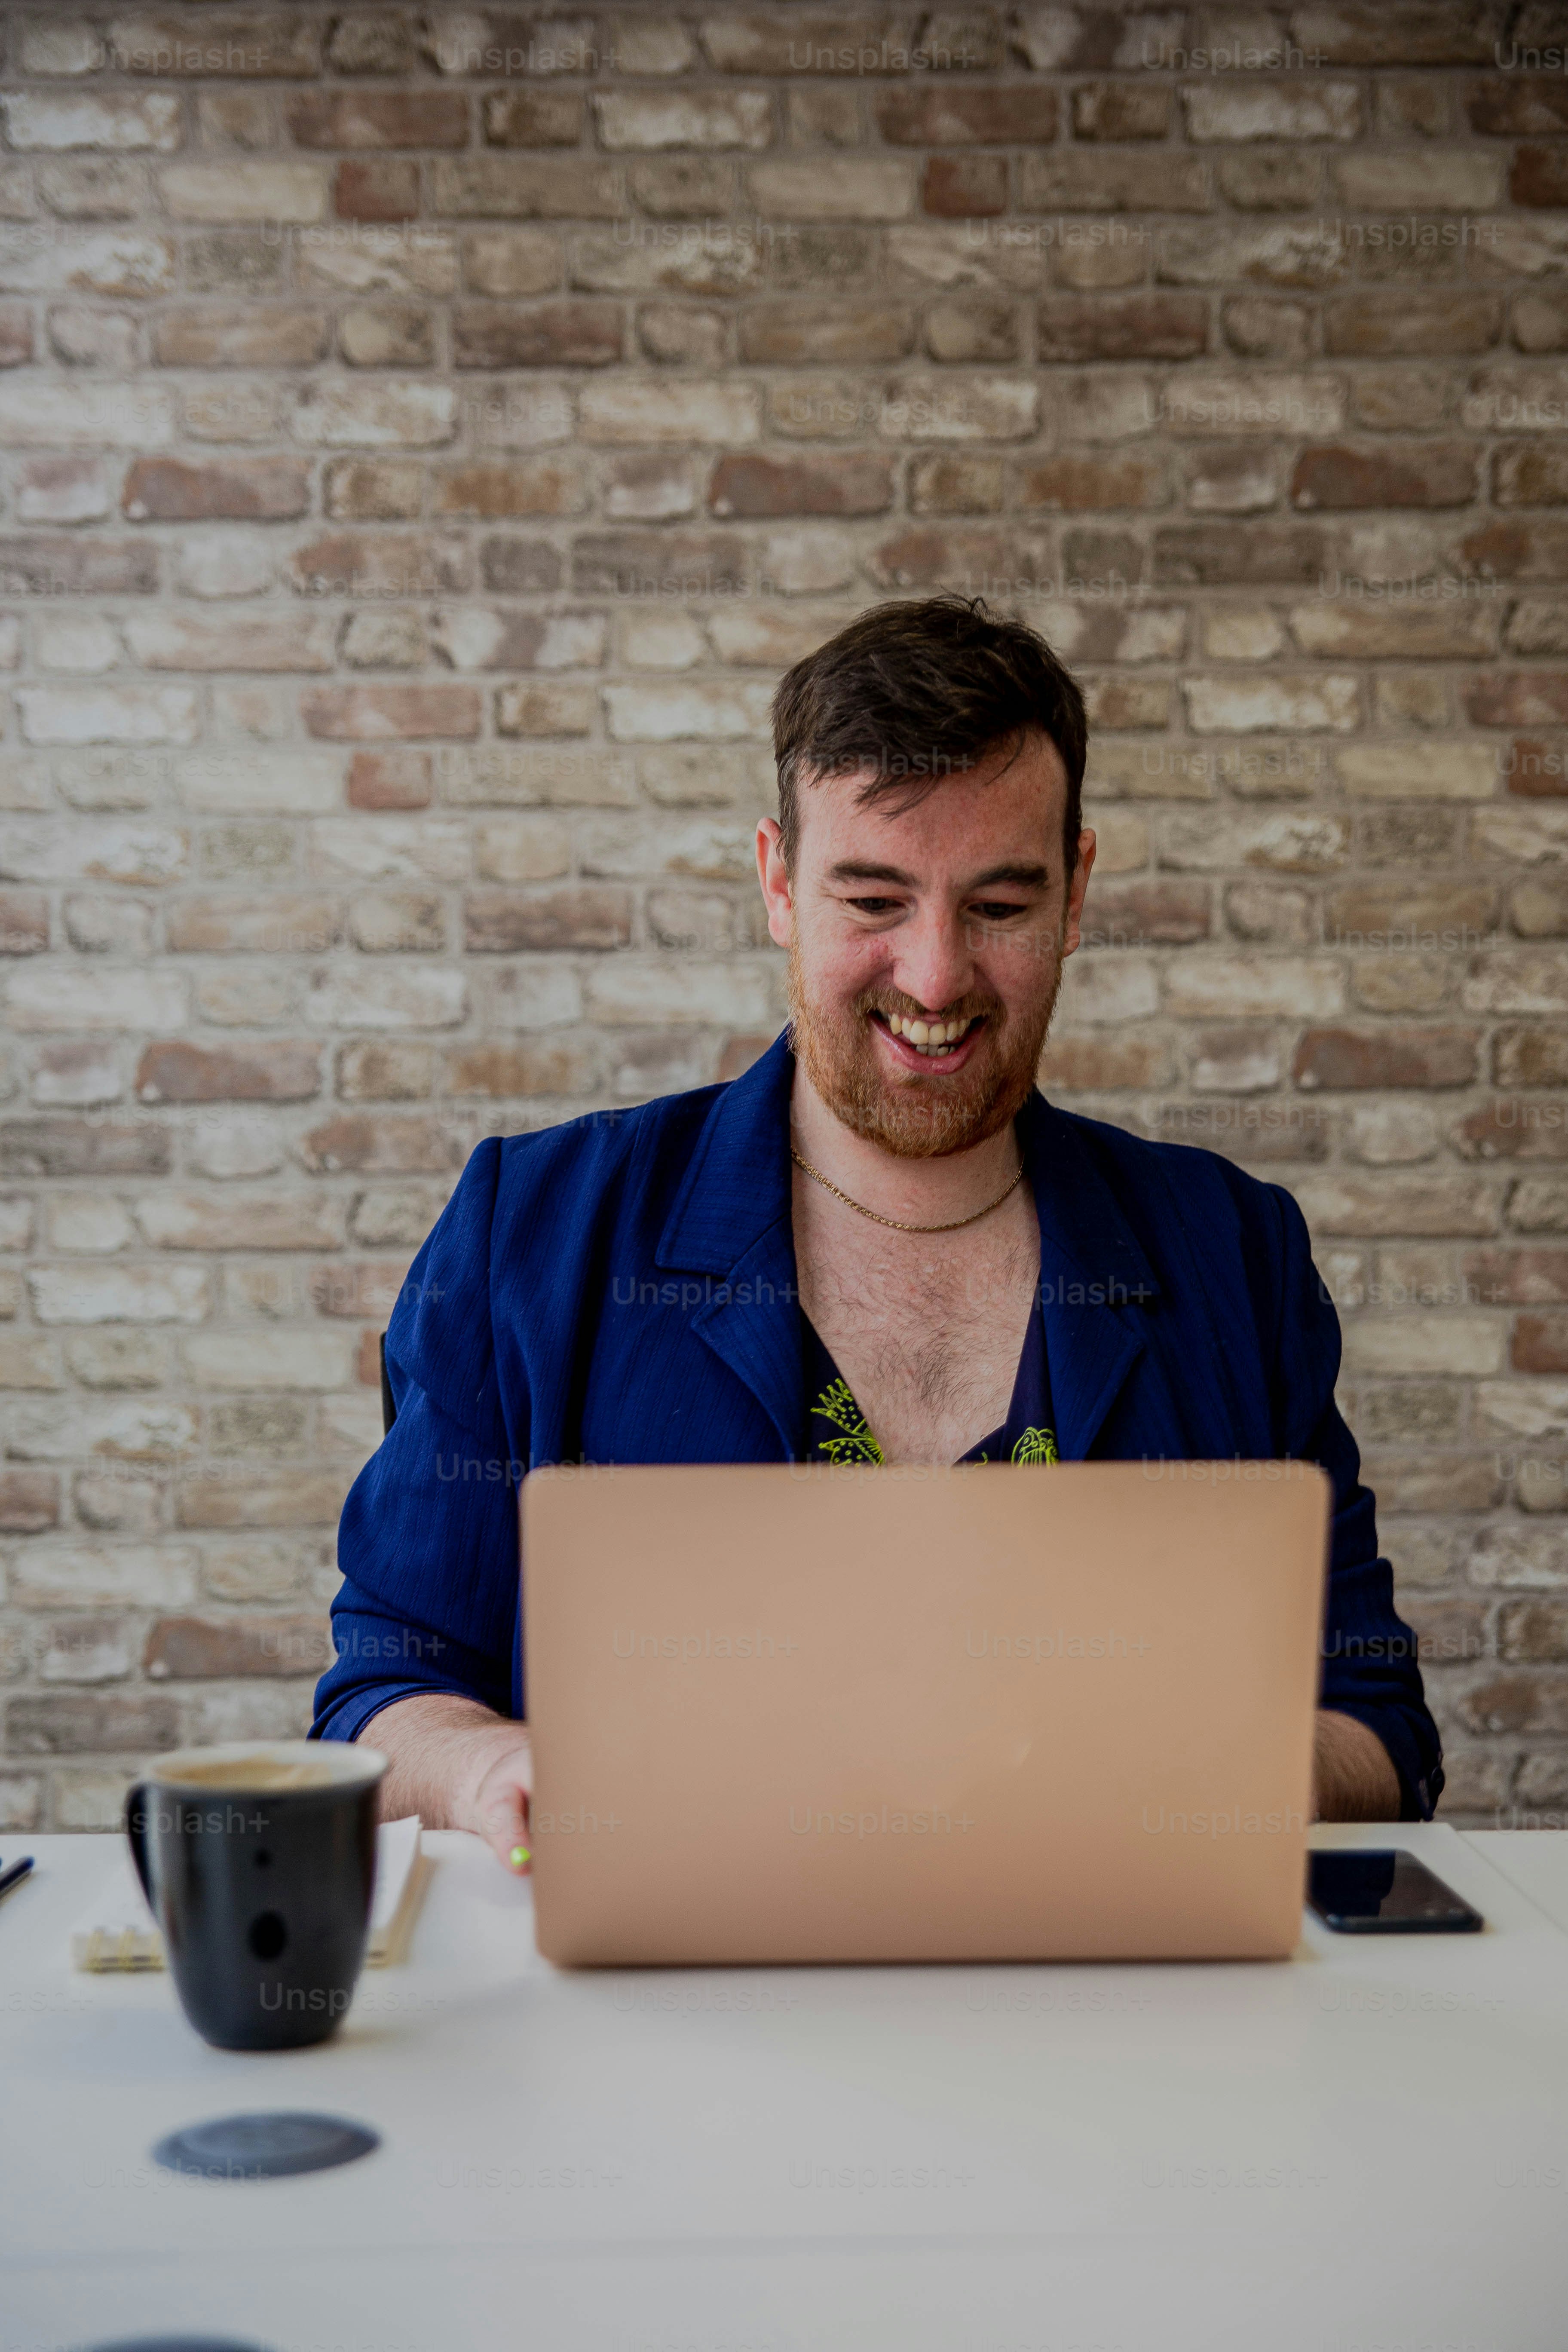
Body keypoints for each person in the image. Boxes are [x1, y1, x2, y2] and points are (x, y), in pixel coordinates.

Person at [312, 595, 1442, 1868]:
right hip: (661, 2043)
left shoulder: (1233, 1253)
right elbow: (381, 1698)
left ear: (1075, 892)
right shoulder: (536, 1231)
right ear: (779, 883)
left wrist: (1206, 1767)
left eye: (1001, 908)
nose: (936, 977)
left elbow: (1376, 1735)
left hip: (1129, 2029)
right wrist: (485, 1767)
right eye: (873, 901)